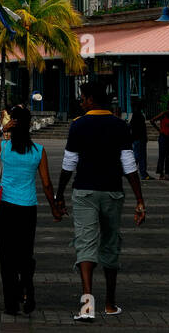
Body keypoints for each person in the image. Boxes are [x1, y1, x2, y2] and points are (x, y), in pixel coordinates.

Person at [54, 81, 146, 320]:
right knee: (110, 244)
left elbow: (68, 164)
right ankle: (110, 303)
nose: (81, 102)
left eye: (83, 98)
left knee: (85, 244)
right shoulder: (120, 126)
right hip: (112, 191)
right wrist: (139, 200)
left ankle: (86, 306)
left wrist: (59, 194)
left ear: (91, 100)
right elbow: (129, 165)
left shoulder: (78, 125)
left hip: (84, 190)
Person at [0, 105, 61, 316]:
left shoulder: (5, 147)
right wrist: (54, 208)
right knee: (25, 254)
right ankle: (28, 290)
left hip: (5, 208)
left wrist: (2, 127)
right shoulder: (38, 151)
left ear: (14, 125)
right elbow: (46, 184)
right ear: (30, 125)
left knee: (7, 256)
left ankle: (11, 304)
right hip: (28, 208)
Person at [149, 105, 169, 179]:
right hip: (163, 136)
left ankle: (168, 173)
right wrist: (159, 130)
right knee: (162, 155)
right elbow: (152, 120)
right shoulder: (164, 114)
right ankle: (161, 173)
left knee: (168, 156)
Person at [128, 108, 151, 180]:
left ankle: (136, 172)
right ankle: (141, 173)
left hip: (136, 138)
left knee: (138, 156)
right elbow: (143, 128)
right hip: (140, 138)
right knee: (140, 157)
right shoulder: (139, 116)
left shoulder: (135, 116)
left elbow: (130, 126)